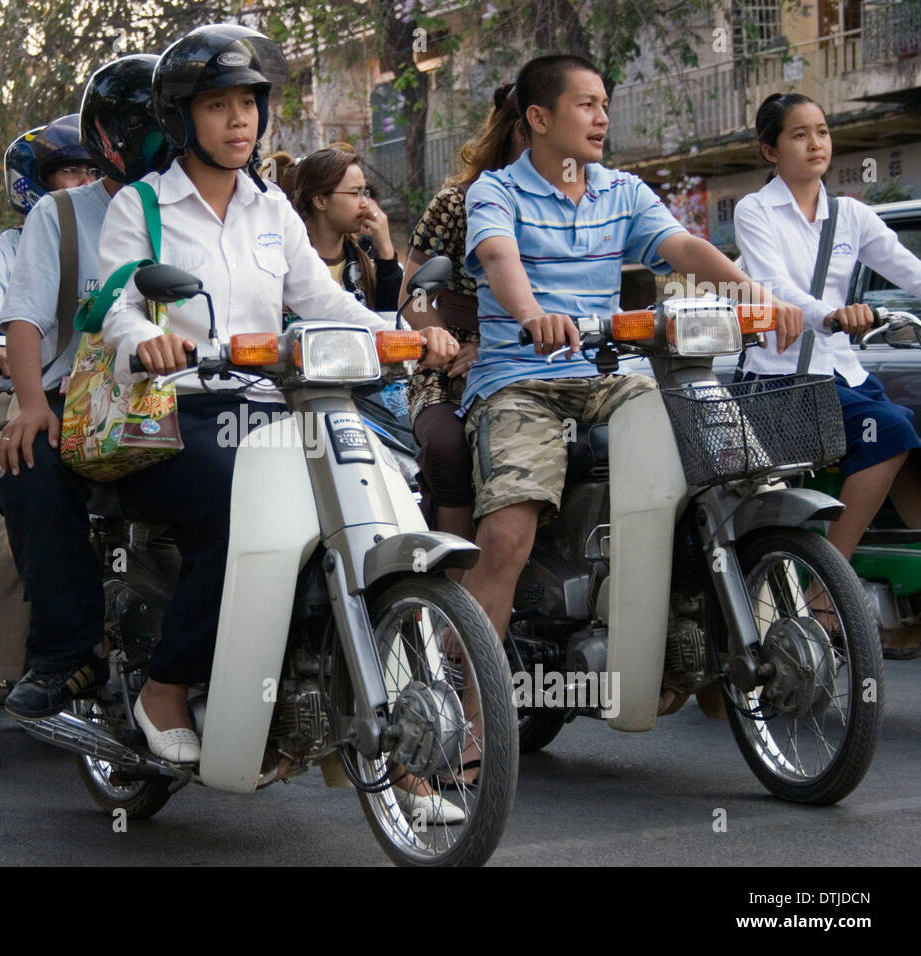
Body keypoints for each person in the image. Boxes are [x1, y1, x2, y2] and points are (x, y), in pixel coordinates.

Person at [0, 25, 454, 789]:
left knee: (373, 498)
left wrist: (405, 333)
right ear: (184, 118)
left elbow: (318, 301)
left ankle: (378, 728)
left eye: (248, 103)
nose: (239, 120)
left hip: (272, 407)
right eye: (218, 106)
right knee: (234, 512)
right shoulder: (141, 206)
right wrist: (147, 338)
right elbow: (115, 303)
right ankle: (166, 688)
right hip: (172, 411)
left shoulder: (272, 208)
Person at [455, 56, 803, 728]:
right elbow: (501, 261)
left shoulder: (622, 190)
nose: (601, 117)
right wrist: (532, 316)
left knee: (726, 456)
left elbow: (686, 251)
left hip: (613, 373)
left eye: (604, 104)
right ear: (538, 118)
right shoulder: (496, 192)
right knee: (506, 534)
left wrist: (760, 297)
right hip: (521, 381)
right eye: (585, 104)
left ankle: (695, 630)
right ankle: (468, 717)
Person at [0, 102, 135, 770]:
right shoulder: (7, 247)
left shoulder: (144, 222)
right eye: (70, 170)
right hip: (37, 403)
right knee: (4, 543)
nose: (84, 178)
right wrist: (8, 356)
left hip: (135, 405)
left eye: (89, 165)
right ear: (35, 180)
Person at [733, 92, 921, 656]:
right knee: (891, 433)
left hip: (841, 372)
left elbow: (908, 268)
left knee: (909, 436)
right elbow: (774, 288)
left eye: (822, 131)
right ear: (771, 148)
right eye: (799, 135)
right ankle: (825, 592)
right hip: (781, 377)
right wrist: (830, 315)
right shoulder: (754, 211)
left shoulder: (852, 215)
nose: (816, 143)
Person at [403, 83, 527, 545]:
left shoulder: (579, 203)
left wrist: (494, 343)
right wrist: (447, 343)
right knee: (448, 446)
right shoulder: (456, 203)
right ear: (523, 129)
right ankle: (454, 581)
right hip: (450, 364)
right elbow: (414, 297)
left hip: (537, 358)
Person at [289, 145, 402, 310]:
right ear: (320, 201)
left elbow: (392, 320)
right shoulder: (290, 256)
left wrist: (386, 251)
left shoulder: (368, 252)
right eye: (355, 193)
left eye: (365, 193)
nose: (365, 204)